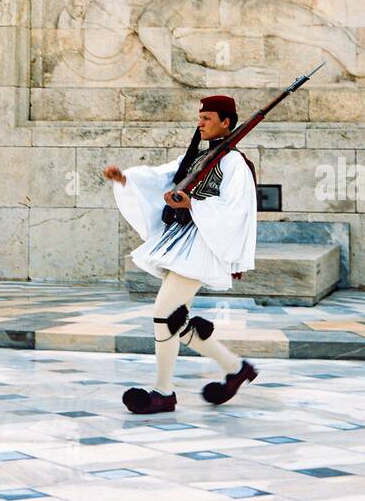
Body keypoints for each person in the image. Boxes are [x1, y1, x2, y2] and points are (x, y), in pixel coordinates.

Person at [103, 93, 258, 415]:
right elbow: (163, 175)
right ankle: (235, 368)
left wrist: (192, 203)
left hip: (204, 245)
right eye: (200, 118)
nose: (200, 124)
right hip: (184, 243)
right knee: (175, 319)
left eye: (207, 119)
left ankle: (164, 393)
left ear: (226, 123)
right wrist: (126, 179)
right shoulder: (203, 156)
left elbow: (235, 208)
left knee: (163, 313)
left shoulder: (234, 163)